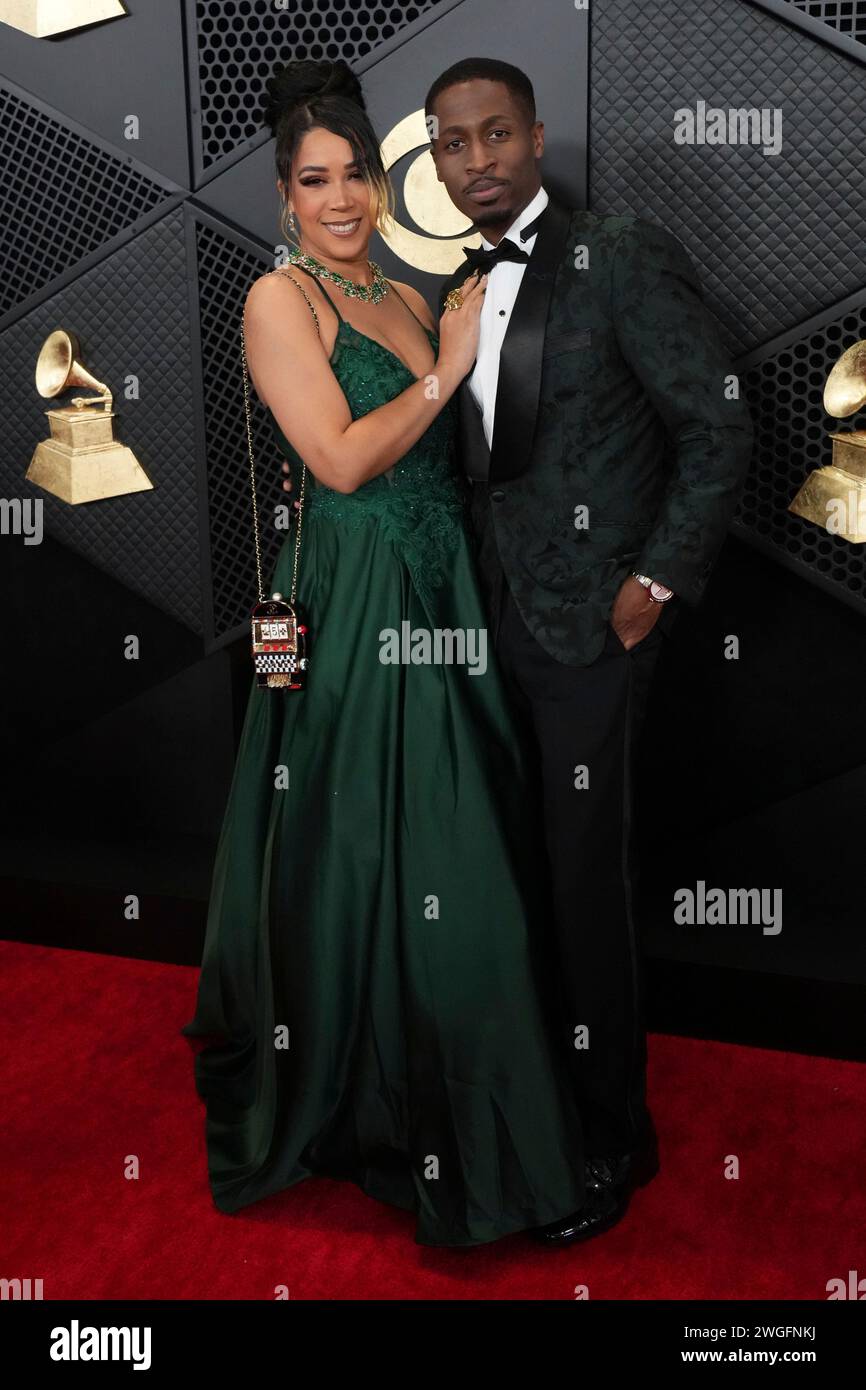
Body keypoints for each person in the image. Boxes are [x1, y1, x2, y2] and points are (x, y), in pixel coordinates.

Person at [181, 57, 591, 1248]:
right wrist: (445, 372)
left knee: (455, 848)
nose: (343, 197)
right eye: (316, 180)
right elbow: (344, 461)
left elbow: (459, 448)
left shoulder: (410, 293)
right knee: (381, 846)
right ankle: (405, 1113)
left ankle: (470, 1106)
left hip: (443, 584)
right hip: (355, 598)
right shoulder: (282, 301)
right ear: (281, 196)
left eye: (357, 172)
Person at [425, 57, 755, 1244]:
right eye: (452, 146)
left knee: (581, 884)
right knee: (512, 878)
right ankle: (534, 1101)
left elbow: (717, 422)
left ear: (534, 134)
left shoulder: (614, 252)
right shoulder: (458, 285)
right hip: (494, 621)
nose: (476, 163)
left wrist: (651, 584)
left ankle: (614, 1136)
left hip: (592, 631)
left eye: (494, 136)